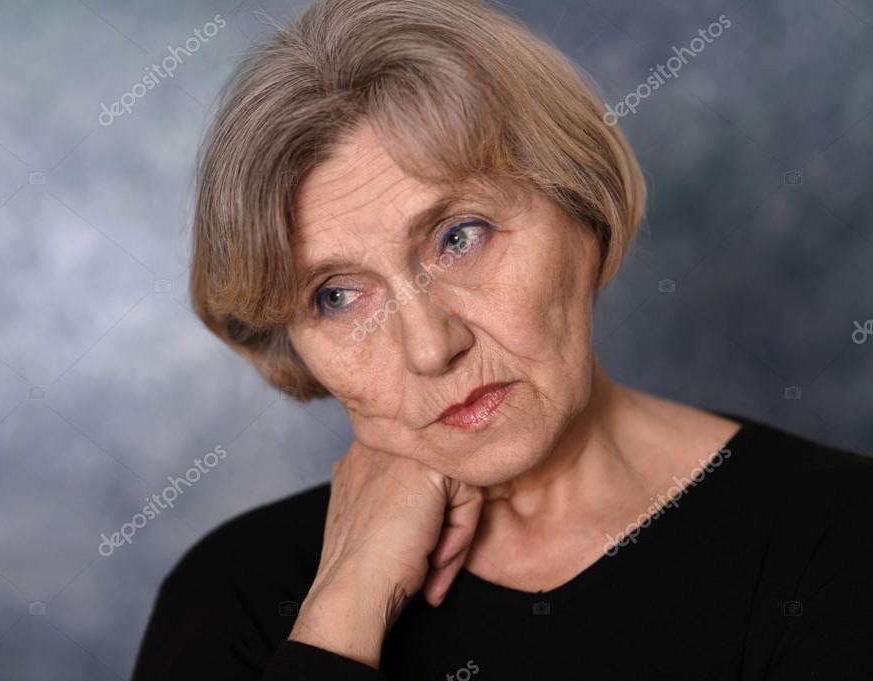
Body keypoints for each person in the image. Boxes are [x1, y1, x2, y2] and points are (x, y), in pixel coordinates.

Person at [132, 0, 873, 678]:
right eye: (336, 296)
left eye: (459, 236)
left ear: (583, 211)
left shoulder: (840, 536)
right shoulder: (232, 594)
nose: (431, 346)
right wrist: (343, 608)